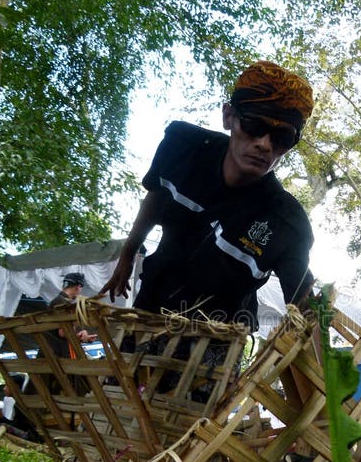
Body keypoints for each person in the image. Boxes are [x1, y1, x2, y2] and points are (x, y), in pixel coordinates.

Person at [103, 60, 315, 329]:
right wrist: (127, 254)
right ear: (229, 117)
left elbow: (305, 307)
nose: (264, 144)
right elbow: (155, 198)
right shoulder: (182, 148)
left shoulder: (288, 223)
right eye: (253, 125)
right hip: (149, 312)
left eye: (281, 137)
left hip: (218, 339)